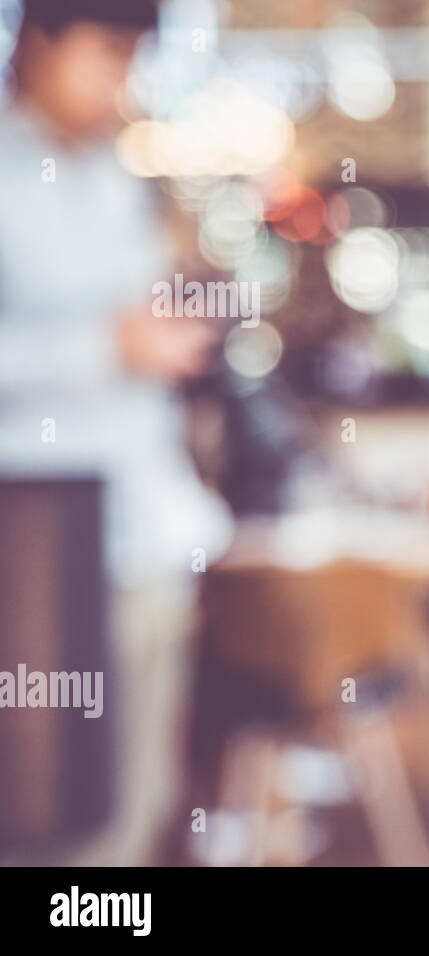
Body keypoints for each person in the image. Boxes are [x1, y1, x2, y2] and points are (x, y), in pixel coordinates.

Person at [0, 0, 231, 863]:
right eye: (106, 54)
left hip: (144, 529)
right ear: (39, 42)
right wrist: (104, 345)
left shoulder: (116, 176)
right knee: (41, 801)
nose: (119, 83)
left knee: (137, 797)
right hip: (32, 547)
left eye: (133, 59)